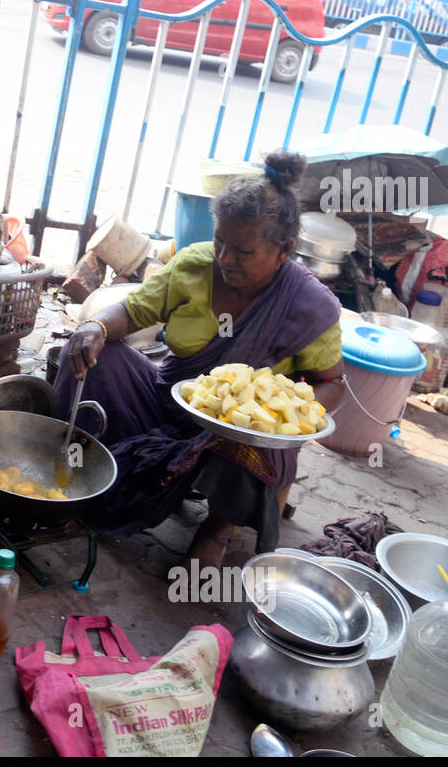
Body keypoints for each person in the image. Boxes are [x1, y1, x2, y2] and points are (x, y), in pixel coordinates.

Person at [57, 151, 345, 568]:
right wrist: (96, 327)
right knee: (87, 355)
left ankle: (218, 529)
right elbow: (132, 312)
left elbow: (332, 383)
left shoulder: (310, 306)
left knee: (254, 440)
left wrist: (291, 410)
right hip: (167, 400)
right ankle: (81, 468)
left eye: (243, 252)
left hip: (233, 436)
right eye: (220, 242)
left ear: (285, 249)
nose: (226, 259)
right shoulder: (194, 266)